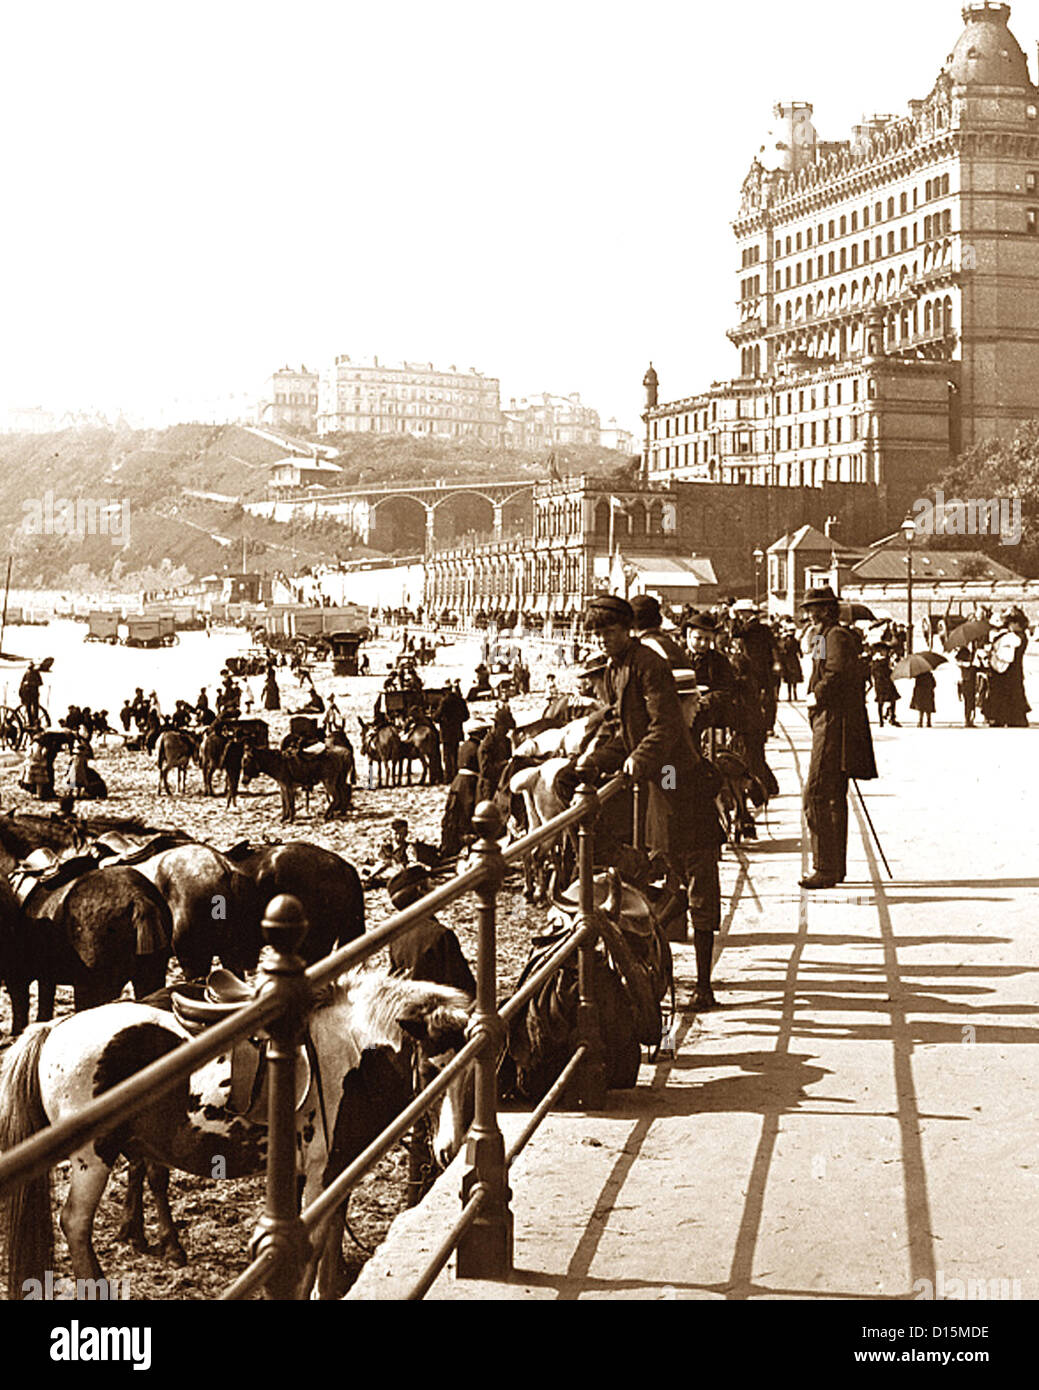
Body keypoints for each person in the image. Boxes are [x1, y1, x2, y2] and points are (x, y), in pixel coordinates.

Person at [573, 593, 725, 1009]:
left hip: (681, 777)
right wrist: (591, 764)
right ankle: (655, 960)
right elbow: (625, 731)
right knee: (670, 869)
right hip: (663, 779)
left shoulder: (649, 665)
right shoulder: (619, 668)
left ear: (627, 630)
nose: (602, 639)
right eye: (598, 634)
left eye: (608, 632)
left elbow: (666, 727)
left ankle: (705, 986)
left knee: (697, 876)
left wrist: (636, 764)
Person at [800, 585, 878, 890]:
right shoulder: (823, 636)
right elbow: (819, 671)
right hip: (826, 720)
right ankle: (834, 867)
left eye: (811, 609)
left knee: (817, 793)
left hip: (834, 723)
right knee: (832, 797)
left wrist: (815, 697)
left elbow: (836, 674)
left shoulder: (836, 637)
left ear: (824, 610)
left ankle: (824, 867)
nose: (807, 614)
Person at [983, 608, 1031, 728]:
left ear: (1016, 624)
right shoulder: (1021, 636)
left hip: (1008, 670)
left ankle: (1002, 718)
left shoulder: (1015, 637)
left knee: (1005, 694)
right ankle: (1014, 718)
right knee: (1014, 694)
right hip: (1015, 671)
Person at [433, 680, 469, 781]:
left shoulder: (444, 701)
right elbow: (466, 716)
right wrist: (457, 720)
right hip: (457, 731)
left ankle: (449, 776)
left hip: (446, 732)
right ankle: (456, 773)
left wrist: (436, 717)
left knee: (447, 755)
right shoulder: (460, 700)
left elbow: (436, 717)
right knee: (456, 753)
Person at [868, 644, 900, 726]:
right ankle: (889, 718)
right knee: (887, 700)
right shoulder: (881, 661)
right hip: (884, 683)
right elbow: (886, 671)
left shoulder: (876, 661)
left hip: (882, 683)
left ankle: (886, 718)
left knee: (885, 701)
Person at [955, 647, 978, 728]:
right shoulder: (971, 668)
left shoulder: (962, 667)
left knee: (968, 703)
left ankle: (968, 719)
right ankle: (969, 720)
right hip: (970, 686)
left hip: (965, 685)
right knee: (970, 703)